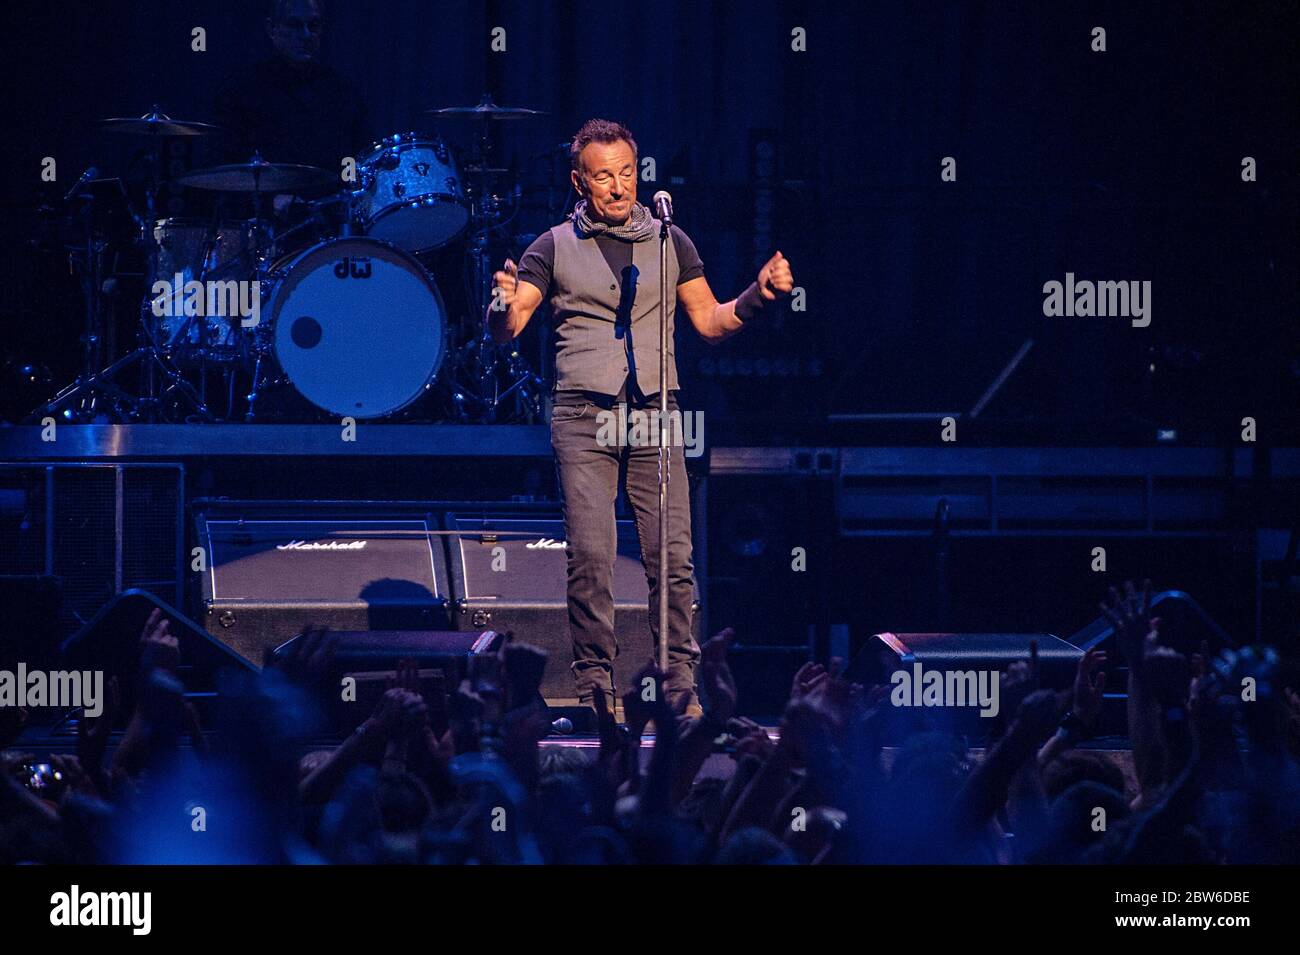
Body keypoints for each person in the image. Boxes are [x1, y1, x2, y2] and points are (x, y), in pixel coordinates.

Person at [488, 118, 794, 716]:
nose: (619, 186)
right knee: (593, 559)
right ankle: (597, 689)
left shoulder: (668, 240)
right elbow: (511, 326)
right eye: (604, 176)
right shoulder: (549, 247)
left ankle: (680, 688)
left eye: (627, 172)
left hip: (655, 413)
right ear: (580, 181)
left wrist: (757, 295)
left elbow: (709, 321)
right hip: (583, 417)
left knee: (673, 558)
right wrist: (498, 305)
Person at [212, 0, 367, 224]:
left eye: (313, 26)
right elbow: (224, 170)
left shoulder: (344, 92)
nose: (306, 35)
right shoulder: (241, 91)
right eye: (295, 25)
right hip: (267, 227)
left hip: (331, 224)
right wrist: (270, 201)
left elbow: (360, 159)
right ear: (271, 29)